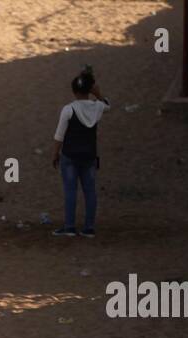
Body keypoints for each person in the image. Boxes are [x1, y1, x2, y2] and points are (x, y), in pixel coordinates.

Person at [51, 66, 110, 238]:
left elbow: (59, 136)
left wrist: (55, 154)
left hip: (70, 156)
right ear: (89, 90)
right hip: (89, 156)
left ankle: (69, 226)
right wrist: (98, 94)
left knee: (70, 191)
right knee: (90, 191)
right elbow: (109, 105)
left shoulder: (68, 109)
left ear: (74, 90)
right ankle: (89, 227)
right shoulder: (97, 107)